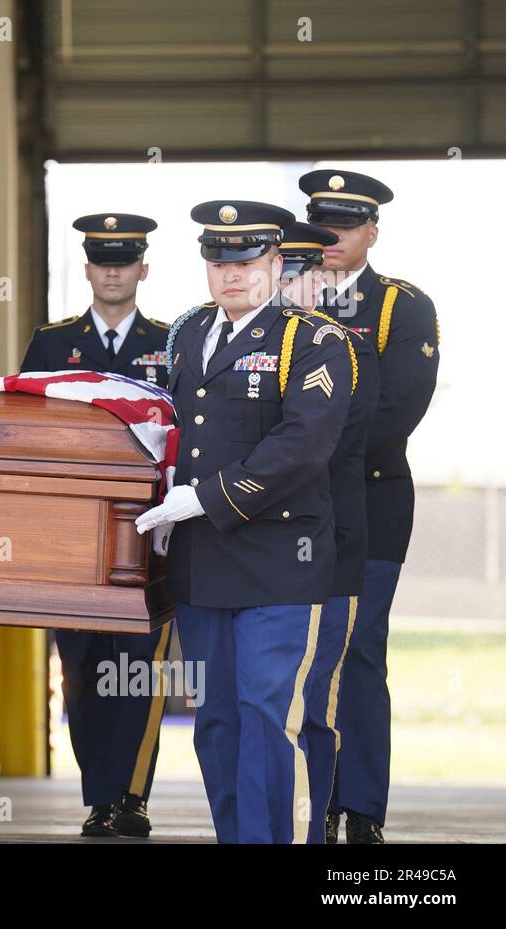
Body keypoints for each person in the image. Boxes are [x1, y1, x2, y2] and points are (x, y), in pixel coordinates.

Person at [136, 200, 353, 844]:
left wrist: (205, 498)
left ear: (277, 263)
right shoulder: (189, 332)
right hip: (204, 563)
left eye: (248, 260)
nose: (232, 274)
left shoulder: (313, 340)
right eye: (218, 260)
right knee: (218, 720)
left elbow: (303, 444)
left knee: (269, 716)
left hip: (280, 559)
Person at [299, 169, 440, 844]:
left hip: (373, 502)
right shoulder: (281, 301)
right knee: (302, 654)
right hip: (291, 510)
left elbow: (397, 409)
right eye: (322, 223)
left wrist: (300, 459)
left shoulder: (400, 306)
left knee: (358, 646)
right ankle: (313, 801)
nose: (332, 238)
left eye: (347, 225)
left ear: (372, 232)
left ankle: (359, 807)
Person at [21, 213, 172, 837]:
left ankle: (131, 798)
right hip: (72, 537)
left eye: (125, 260)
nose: (113, 270)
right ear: (87, 270)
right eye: (102, 260)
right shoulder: (52, 344)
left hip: (148, 536)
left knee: (137, 666)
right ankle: (101, 796)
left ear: (142, 269)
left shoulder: (174, 343)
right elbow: (23, 432)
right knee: (81, 668)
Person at [278, 221, 378, 844]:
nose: (297, 285)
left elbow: (323, 446)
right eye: (285, 272)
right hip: (253, 548)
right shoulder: (222, 341)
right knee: (255, 710)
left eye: (306, 274)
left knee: (317, 704)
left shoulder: (343, 347)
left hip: (328, 544)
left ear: (322, 280)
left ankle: (313, 832)